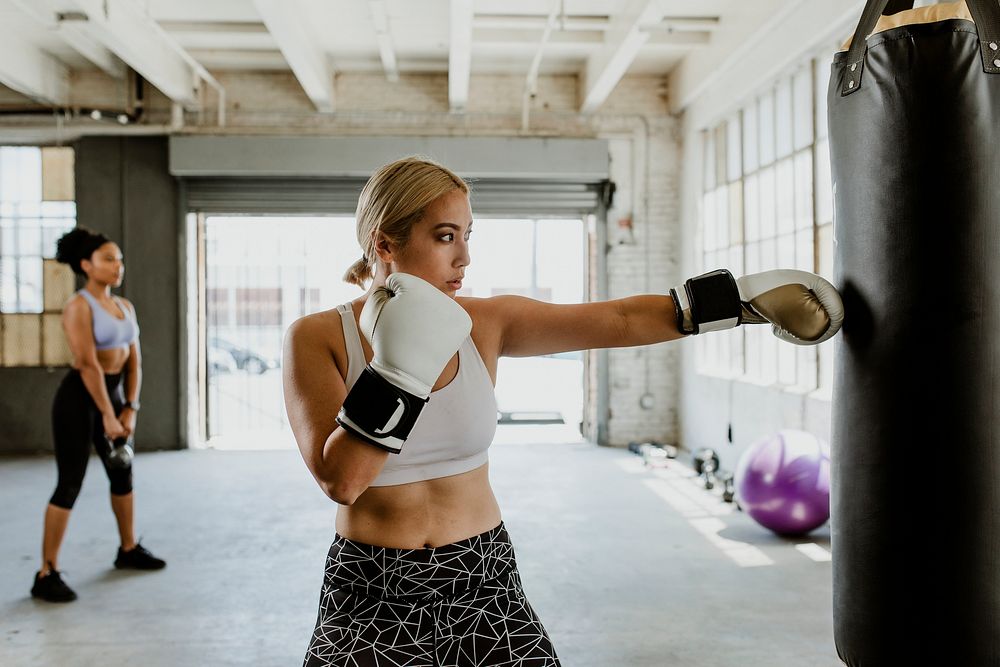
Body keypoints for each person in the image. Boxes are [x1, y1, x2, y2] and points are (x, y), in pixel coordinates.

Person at [282, 157, 843, 666]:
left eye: (468, 235)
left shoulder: (484, 321)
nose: (464, 257)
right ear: (385, 243)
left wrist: (739, 303)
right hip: (371, 586)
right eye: (444, 236)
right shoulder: (316, 337)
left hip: (482, 577)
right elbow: (343, 480)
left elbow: (619, 319)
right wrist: (398, 369)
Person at [31, 227, 165, 603]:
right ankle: (46, 572)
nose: (117, 265)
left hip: (116, 397)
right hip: (80, 400)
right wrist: (107, 415)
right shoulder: (78, 306)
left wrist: (130, 408)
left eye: (119, 259)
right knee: (69, 483)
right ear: (86, 265)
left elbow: (134, 361)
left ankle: (127, 549)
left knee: (122, 474)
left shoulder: (124, 307)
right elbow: (88, 365)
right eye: (108, 259)